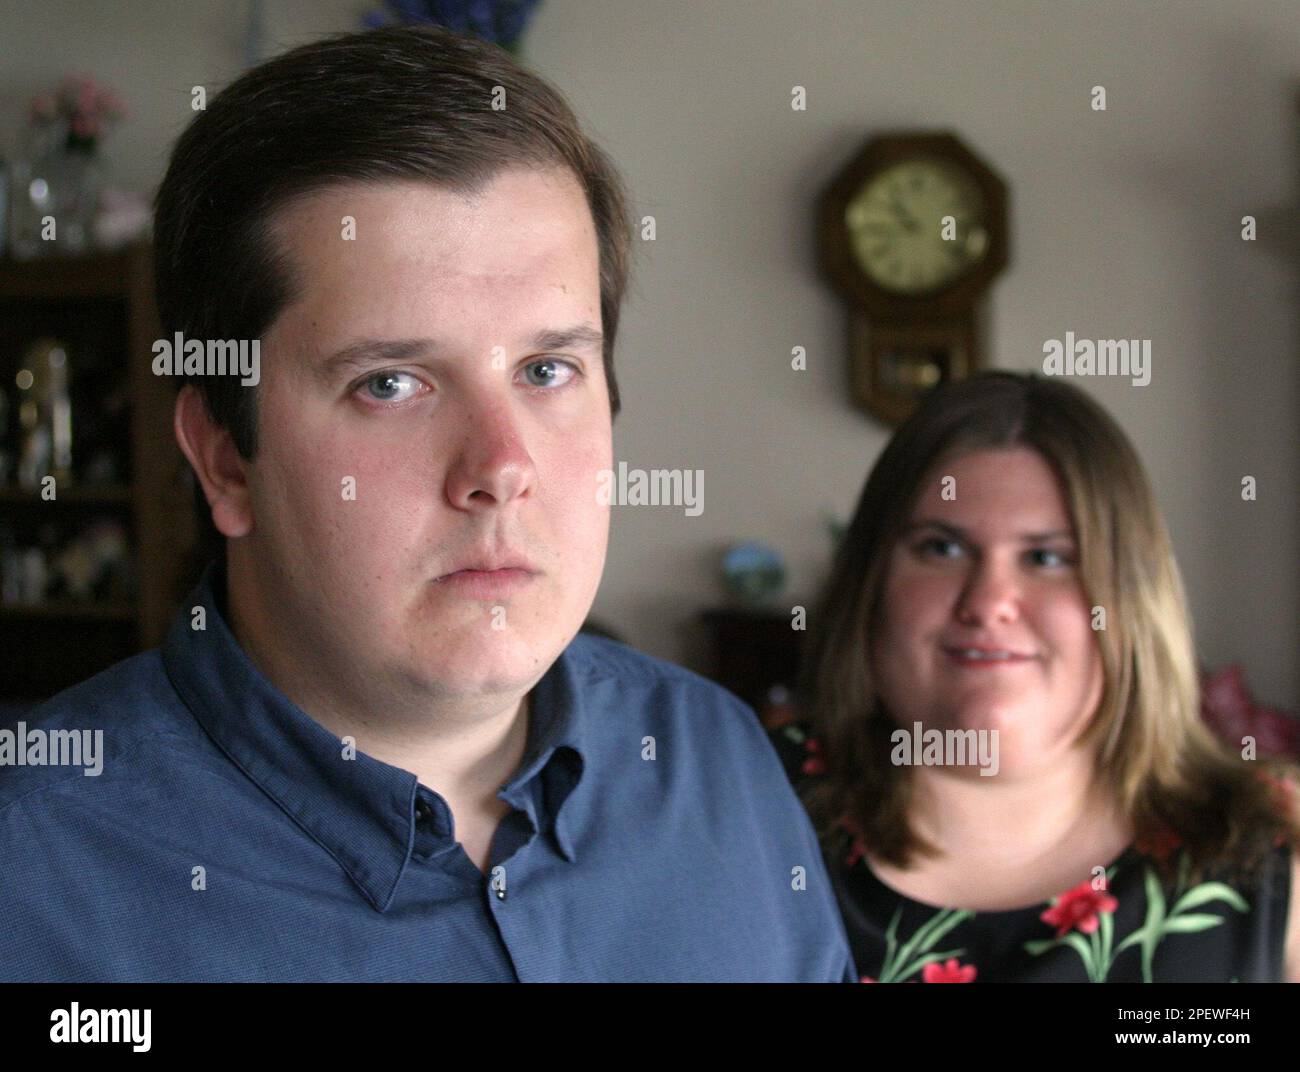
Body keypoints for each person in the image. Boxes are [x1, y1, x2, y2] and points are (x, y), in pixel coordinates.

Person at [0, 26, 854, 983]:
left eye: (546, 368)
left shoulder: (718, 759)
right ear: (225, 460)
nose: (500, 467)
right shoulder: (30, 875)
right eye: (392, 384)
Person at [774, 370, 1300, 982]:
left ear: (1131, 597)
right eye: (941, 548)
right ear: (871, 581)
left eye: (1047, 558)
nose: (990, 600)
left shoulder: (1269, 842)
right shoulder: (747, 806)